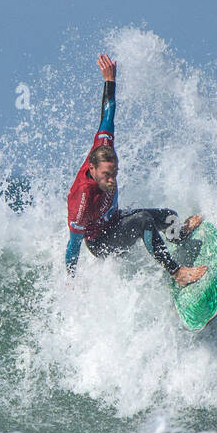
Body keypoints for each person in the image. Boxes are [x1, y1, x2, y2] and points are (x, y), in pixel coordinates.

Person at [64, 54, 207, 285]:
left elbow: (108, 112)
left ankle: (178, 236)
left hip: (114, 219)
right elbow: (73, 246)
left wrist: (109, 81)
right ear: (92, 169)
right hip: (101, 242)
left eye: (114, 173)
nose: (112, 180)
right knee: (143, 221)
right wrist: (70, 282)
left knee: (169, 216)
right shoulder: (82, 199)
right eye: (106, 175)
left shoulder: (104, 145)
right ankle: (178, 273)